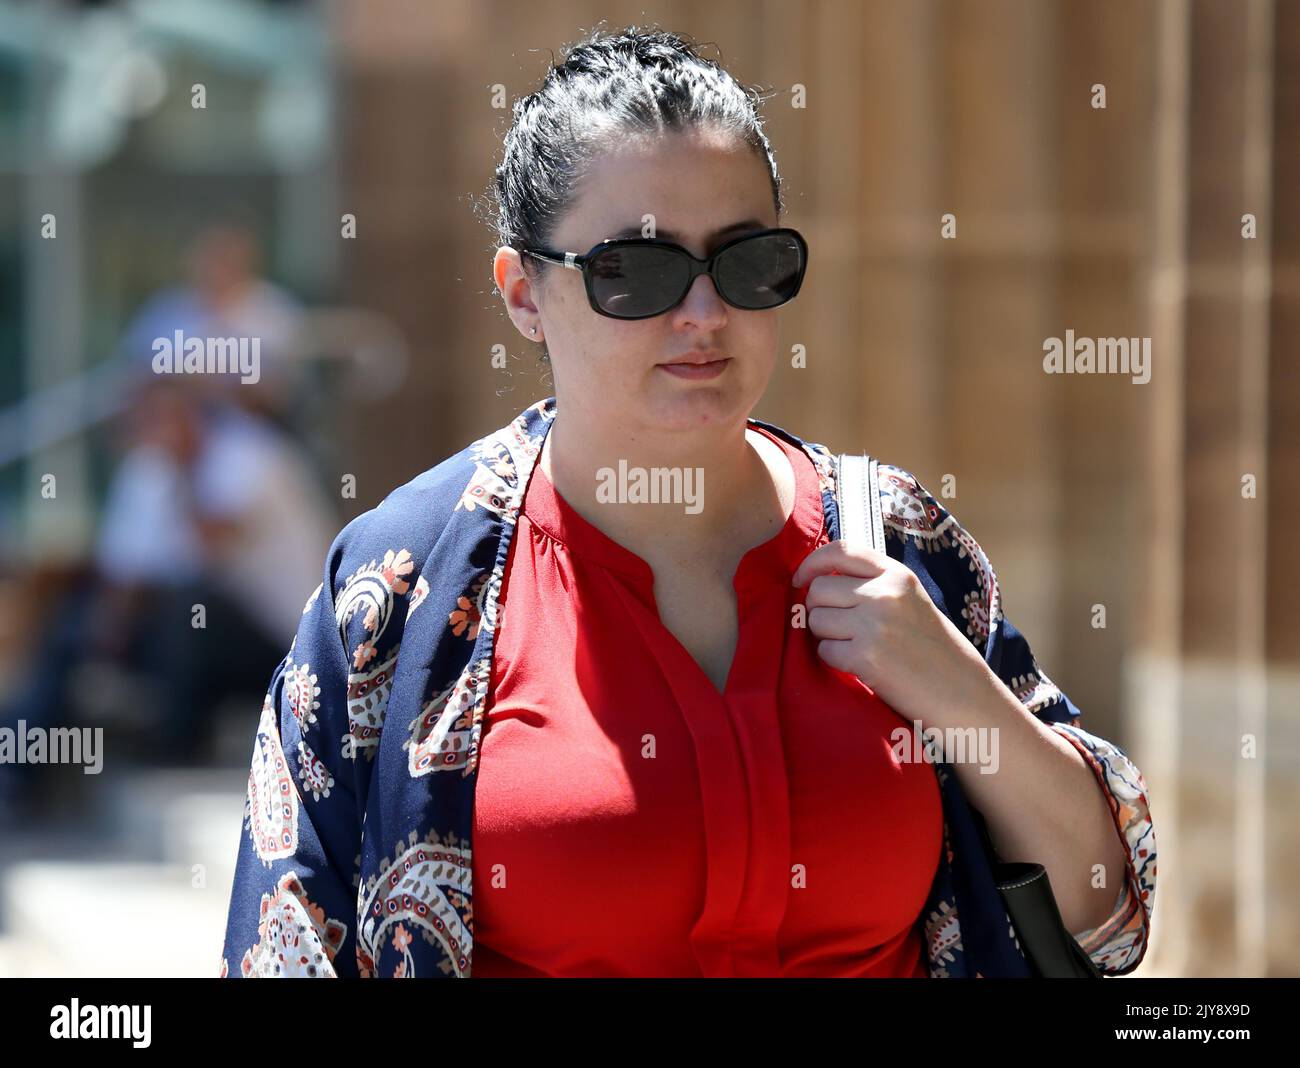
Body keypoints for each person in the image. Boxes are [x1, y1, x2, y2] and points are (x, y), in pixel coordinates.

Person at [219, 26, 1155, 978]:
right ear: (523, 294)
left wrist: (960, 695)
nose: (704, 315)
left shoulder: (897, 539)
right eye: (637, 269)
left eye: (749, 262)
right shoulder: (399, 587)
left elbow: (1106, 918)